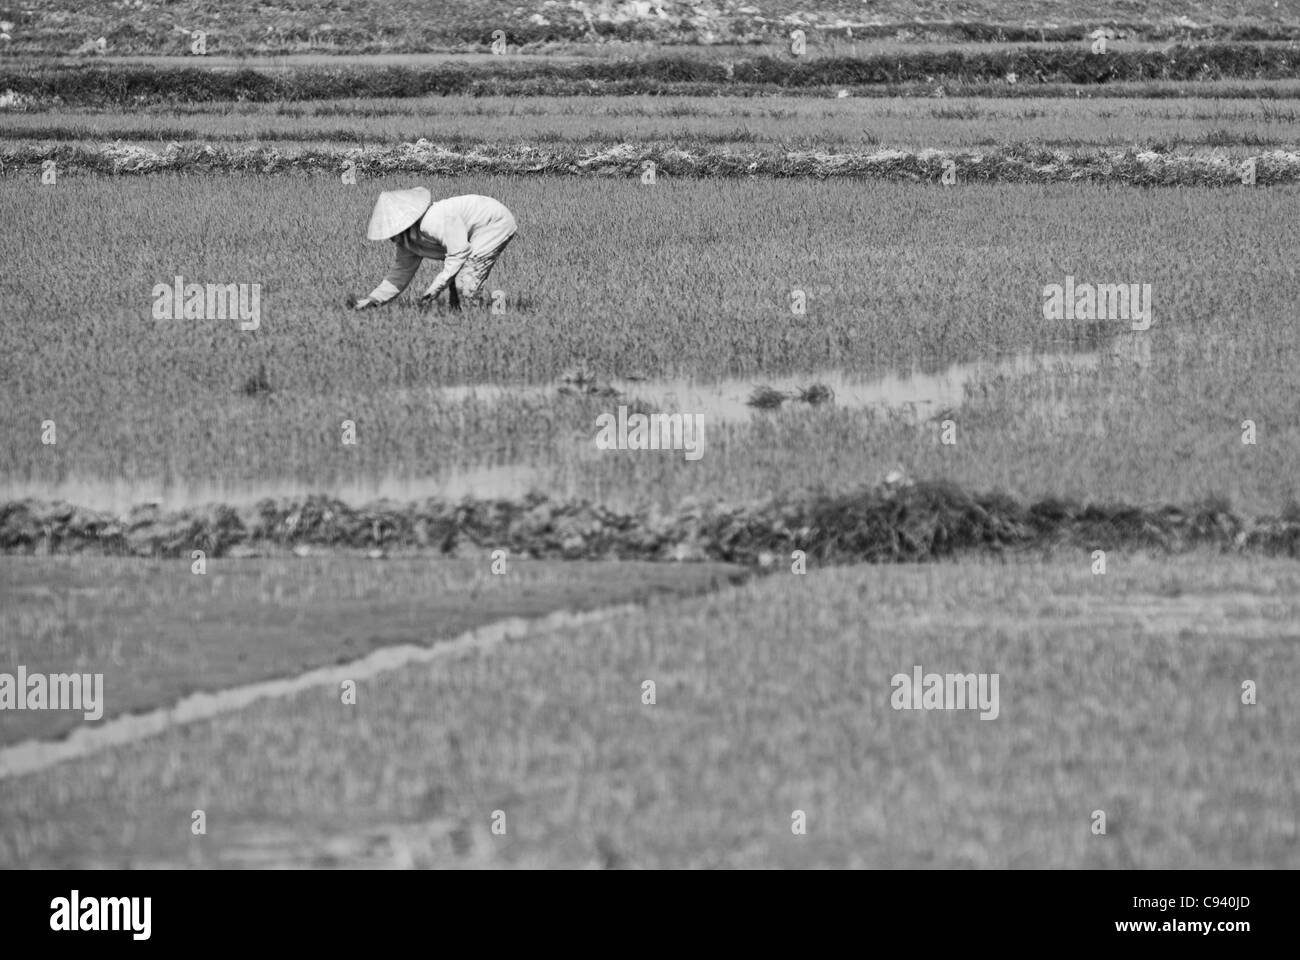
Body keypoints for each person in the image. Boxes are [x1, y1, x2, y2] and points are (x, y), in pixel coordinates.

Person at [352, 189, 517, 311]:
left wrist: (436, 287)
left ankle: (478, 321)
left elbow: (459, 252)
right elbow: (400, 273)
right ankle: (460, 318)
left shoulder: (433, 221)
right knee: (456, 285)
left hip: (494, 222)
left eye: (390, 231)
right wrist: (373, 300)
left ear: (402, 225)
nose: (389, 238)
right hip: (474, 232)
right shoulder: (407, 241)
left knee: (466, 280)